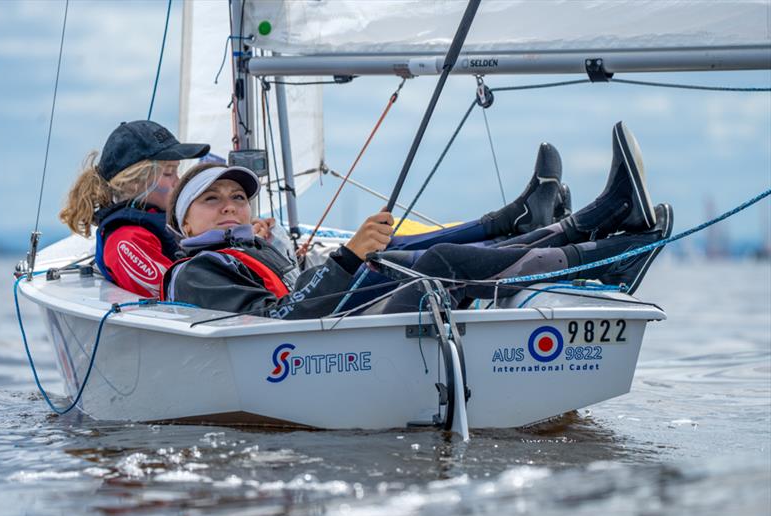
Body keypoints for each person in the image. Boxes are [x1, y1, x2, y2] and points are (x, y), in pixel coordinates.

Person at [162, 122, 673, 319]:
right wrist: (346, 256)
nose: (230, 204)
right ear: (185, 226)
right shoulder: (196, 271)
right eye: (211, 199)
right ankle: (611, 255)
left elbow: (298, 287)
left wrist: (334, 261)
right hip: (315, 347)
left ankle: (592, 224)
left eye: (238, 195)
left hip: (335, 322)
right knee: (439, 261)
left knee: (409, 257)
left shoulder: (254, 246)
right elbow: (278, 321)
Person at [59, 120, 210, 297]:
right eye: (169, 173)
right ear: (133, 183)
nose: (178, 182)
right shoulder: (126, 240)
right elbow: (174, 293)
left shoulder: (171, 222)